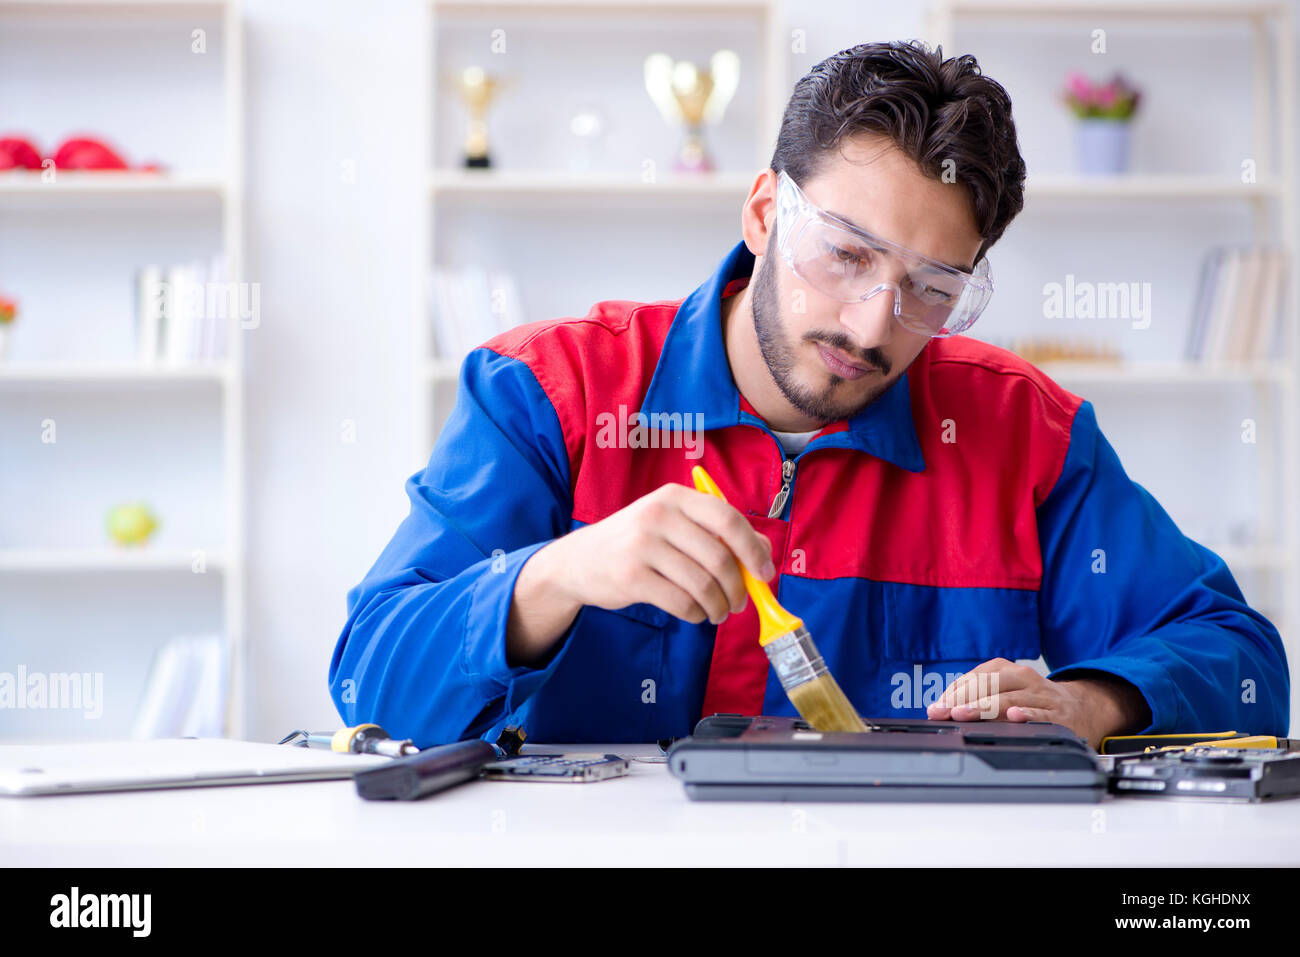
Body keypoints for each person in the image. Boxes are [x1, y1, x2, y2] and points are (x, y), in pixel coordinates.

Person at [329, 39, 1288, 749]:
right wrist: (558, 575)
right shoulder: (551, 392)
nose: (875, 324)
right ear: (762, 214)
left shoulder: (1023, 432)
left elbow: (1241, 656)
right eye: (845, 255)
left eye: (932, 289)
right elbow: (370, 676)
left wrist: (1093, 700)